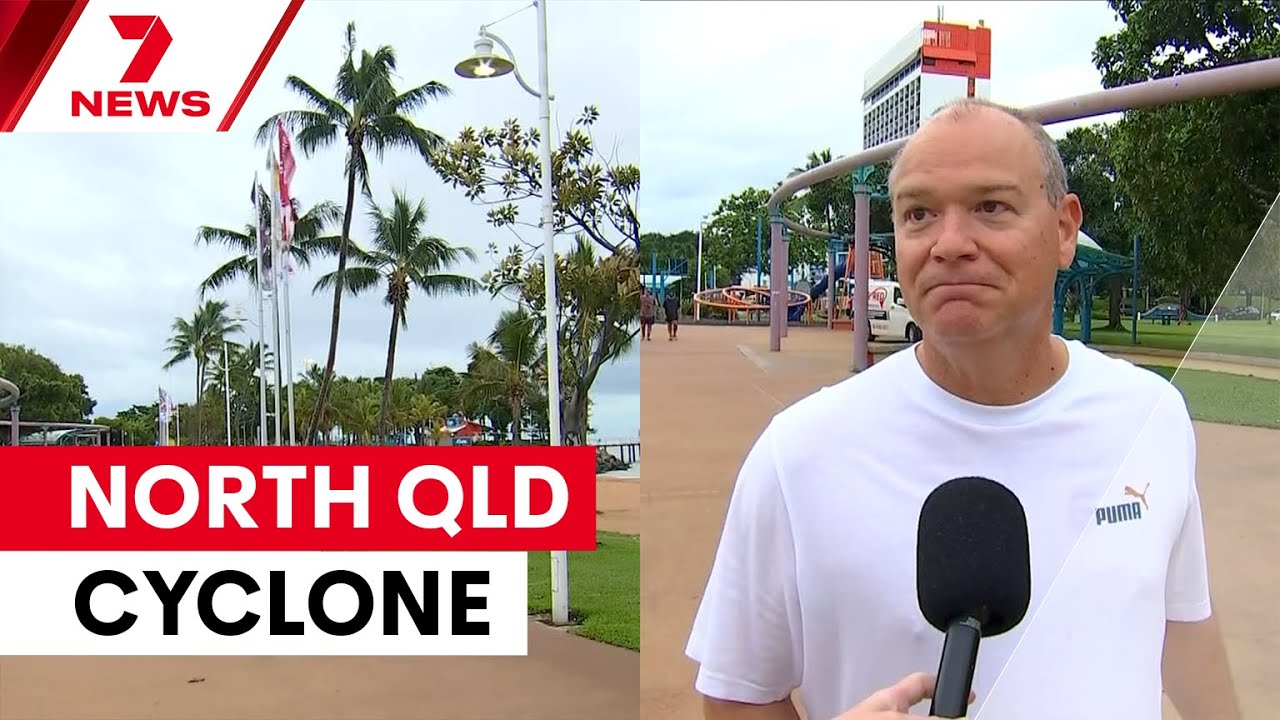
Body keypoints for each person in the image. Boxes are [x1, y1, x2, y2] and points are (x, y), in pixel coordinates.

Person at [685, 98, 1239, 720]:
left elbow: (1184, 628)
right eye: (919, 214)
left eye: (990, 207)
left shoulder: (1152, 417)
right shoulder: (798, 455)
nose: (949, 244)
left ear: (1064, 229)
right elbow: (738, 695)